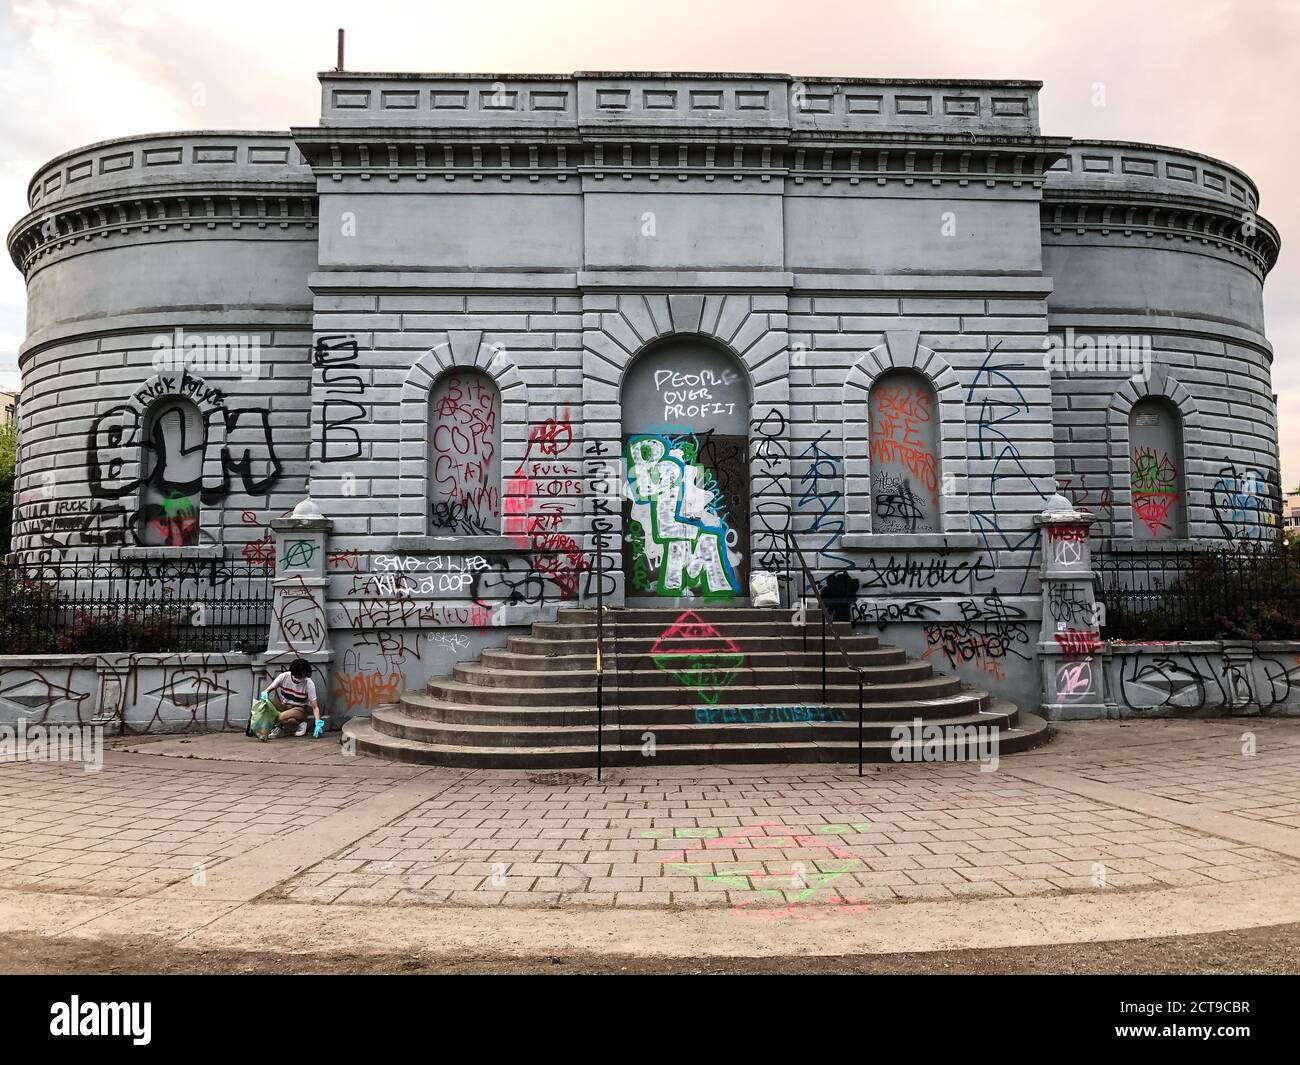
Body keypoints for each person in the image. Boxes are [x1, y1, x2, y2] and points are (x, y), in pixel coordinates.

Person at [264, 658, 324, 738]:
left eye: (303, 676)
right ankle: (287, 726)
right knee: (266, 703)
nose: (300, 678)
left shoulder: (309, 683)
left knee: (281, 717)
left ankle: (285, 725)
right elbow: (267, 690)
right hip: (285, 706)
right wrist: (264, 695)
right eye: (298, 676)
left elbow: (315, 707)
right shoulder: (284, 677)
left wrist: (318, 723)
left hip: (299, 710)